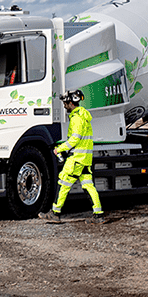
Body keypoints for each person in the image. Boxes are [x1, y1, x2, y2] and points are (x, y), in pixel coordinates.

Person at [47, 89, 103, 223]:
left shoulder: (77, 118)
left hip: (76, 158)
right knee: (89, 185)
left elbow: (74, 140)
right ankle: (99, 214)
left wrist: (59, 149)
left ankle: (55, 213)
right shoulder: (83, 116)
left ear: (71, 103)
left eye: (66, 103)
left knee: (63, 183)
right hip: (85, 158)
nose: (64, 105)